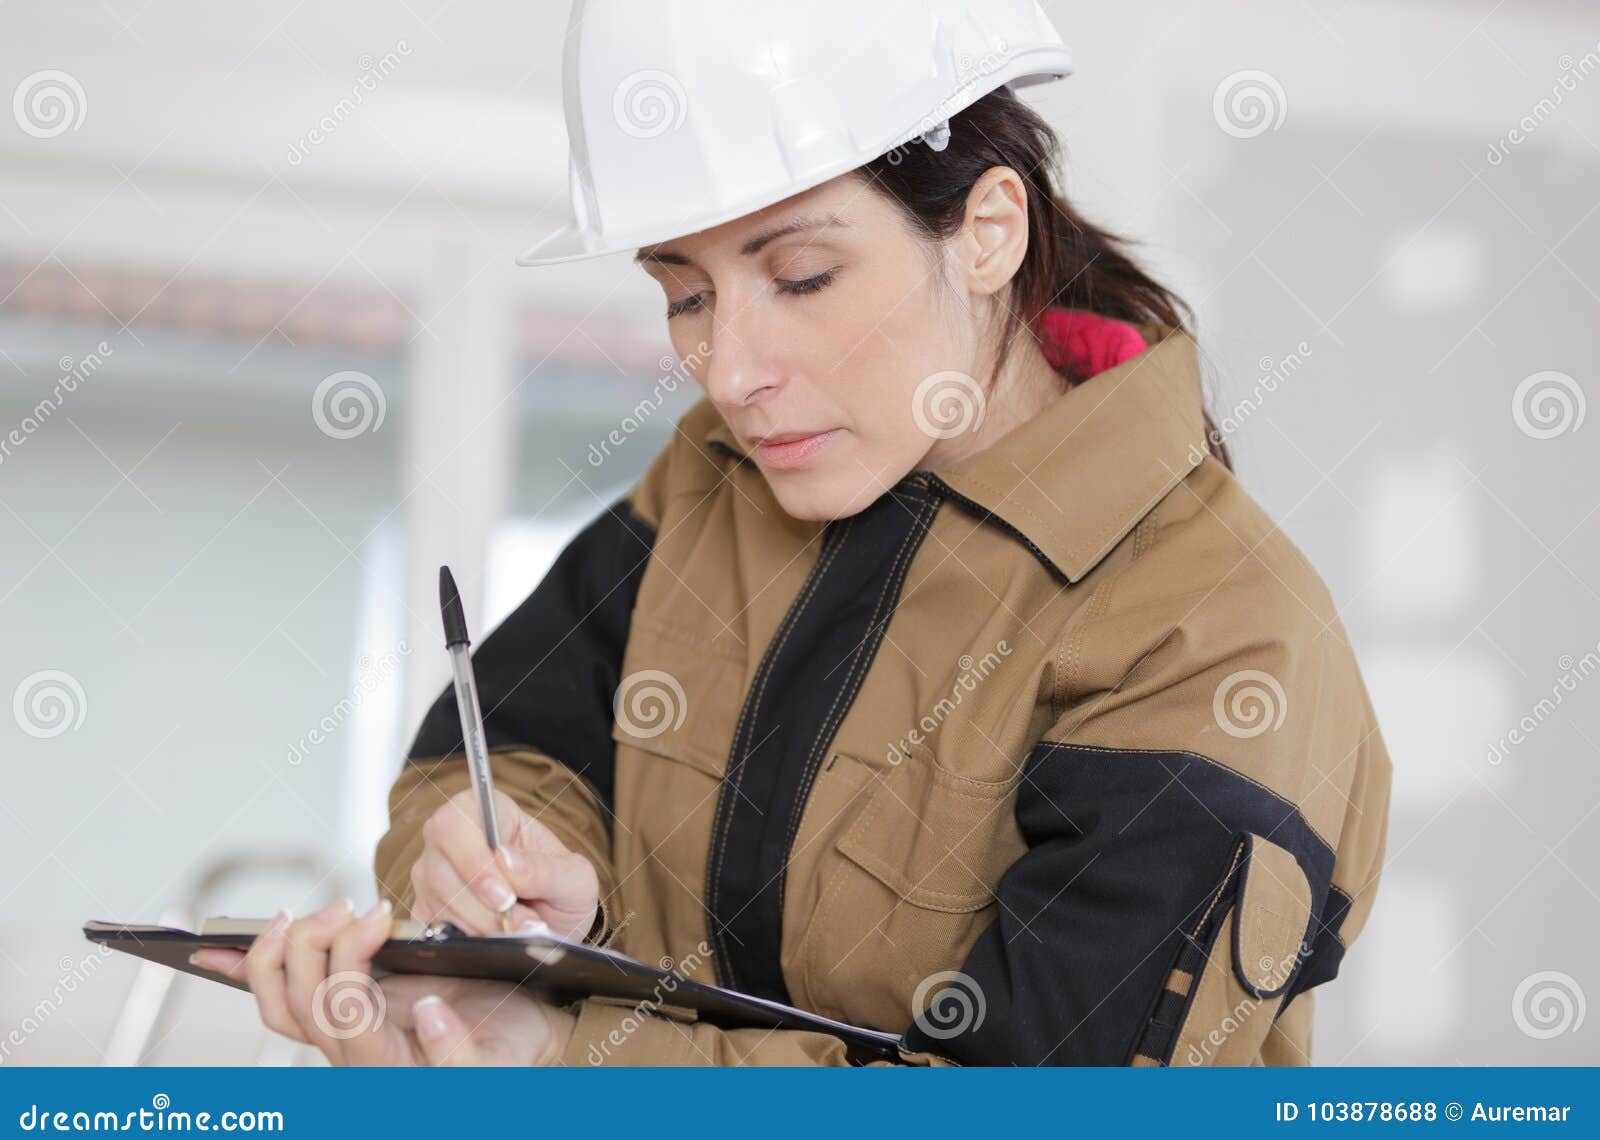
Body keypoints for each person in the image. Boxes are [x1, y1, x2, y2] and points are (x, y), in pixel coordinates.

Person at [193, 0, 1392, 1067]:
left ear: (987, 231)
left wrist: (569, 1061)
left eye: (804, 275)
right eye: (686, 294)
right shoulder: (707, 488)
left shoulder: (1217, 631)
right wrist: (522, 888)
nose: (731, 371)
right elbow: (484, 755)